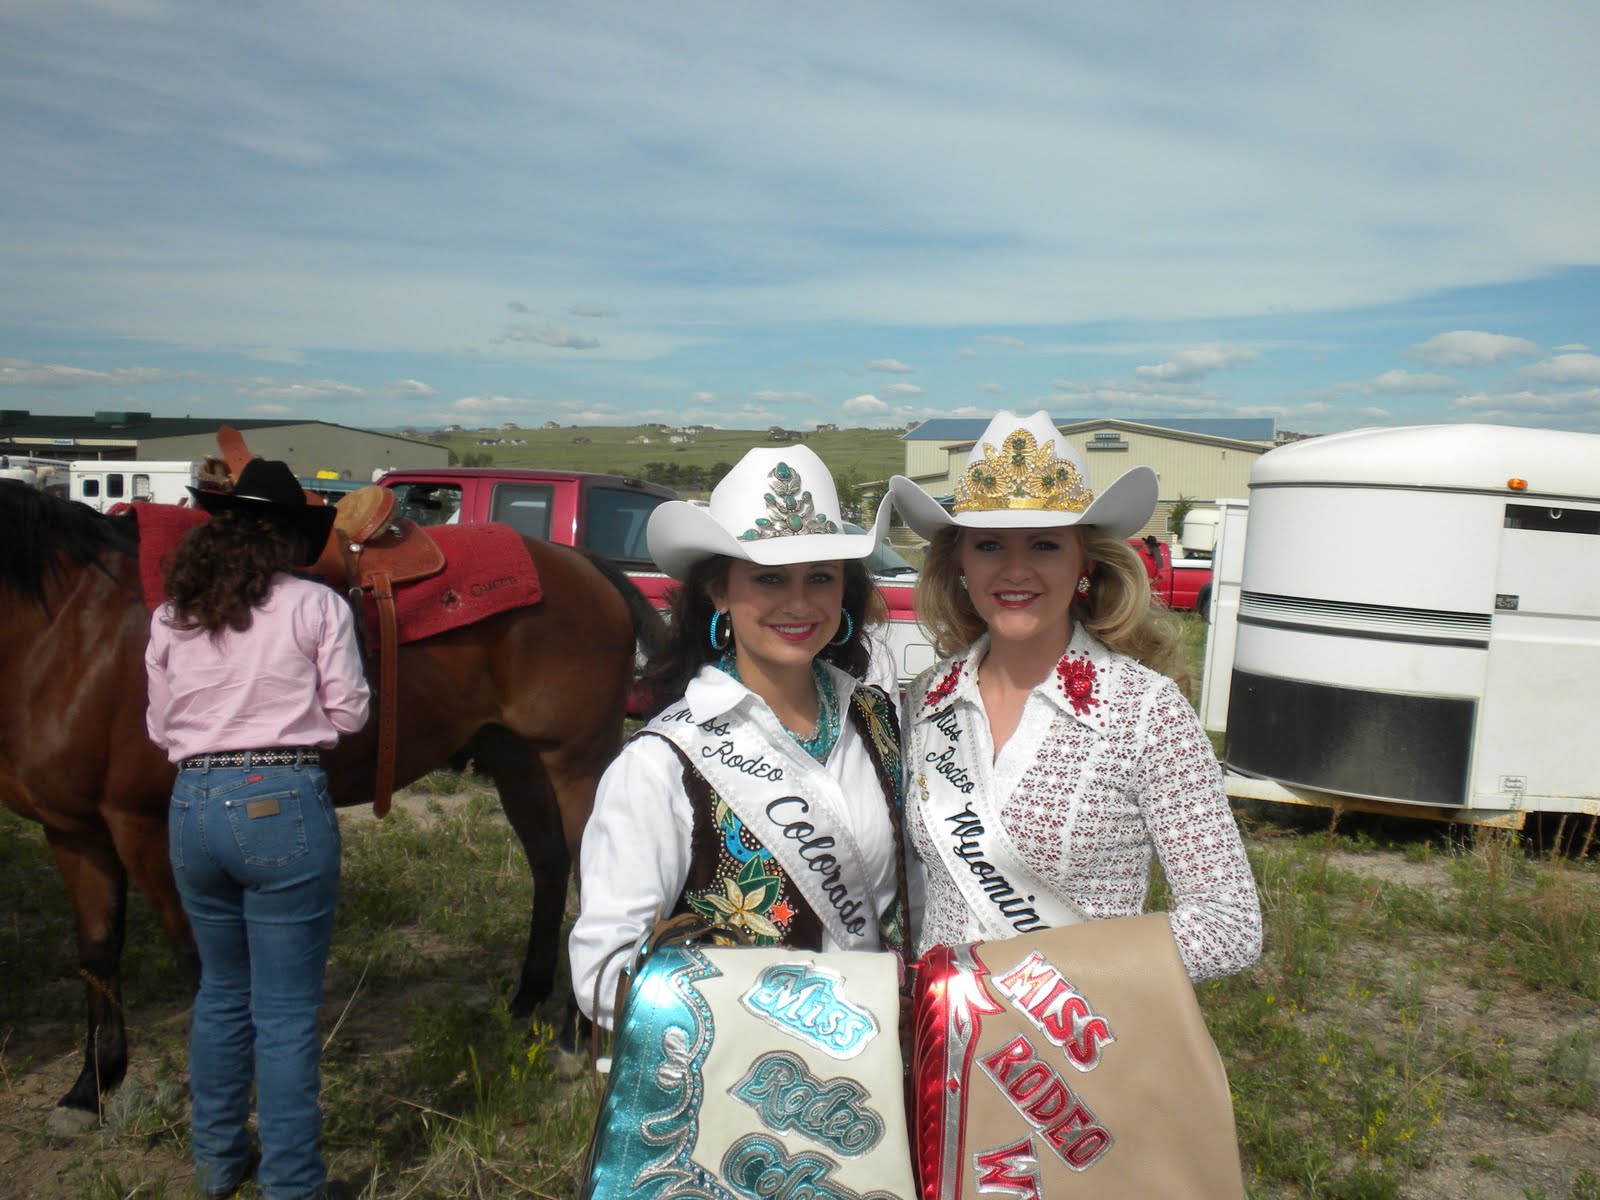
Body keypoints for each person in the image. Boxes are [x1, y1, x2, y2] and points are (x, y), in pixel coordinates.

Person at [888, 411, 1260, 981]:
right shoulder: (926, 700)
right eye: (989, 545)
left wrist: (1047, 976)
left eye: (1044, 545)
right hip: (943, 1053)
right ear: (959, 563)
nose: (1016, 570)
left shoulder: (1145, 711)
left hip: (1072, 1051)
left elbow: (1228, 926)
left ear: (1083, 561)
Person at [569, 446, 911, 1029]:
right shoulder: (660, 765)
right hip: (752, 1093)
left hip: (885, 1075)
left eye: (820, 577)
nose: (798, 603)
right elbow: (604, 977)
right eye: (769, 579)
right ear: (719, 592)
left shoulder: (876, 719)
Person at [145, 458, 369, 1200]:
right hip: (278, 798)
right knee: (284, 1013)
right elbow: (350, 714)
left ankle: (214, 1163)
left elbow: (159, 724)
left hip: (190, 805)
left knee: (218, 993)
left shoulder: (173, 614)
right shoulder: (315, 606)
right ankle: (293, 1185)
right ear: (286, 540)